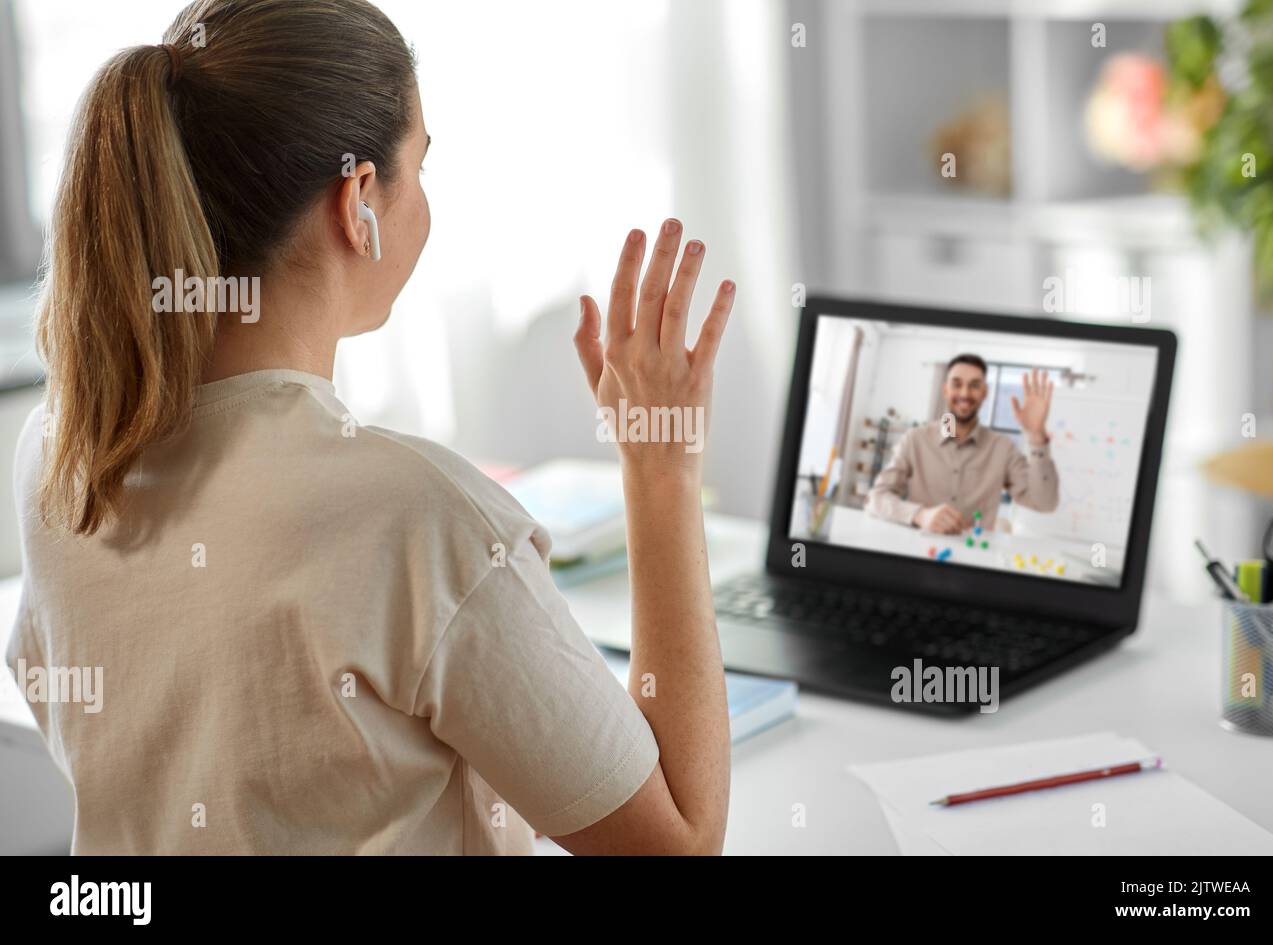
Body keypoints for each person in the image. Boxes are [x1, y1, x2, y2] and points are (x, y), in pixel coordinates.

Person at [5, 0, 732, 855]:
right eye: (419, 166)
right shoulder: (420, 517)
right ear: (359, 202)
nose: (427, 200)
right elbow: (679, 841)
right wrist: (660, 470)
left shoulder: (60, 456)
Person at [867, 354, 1059, 534]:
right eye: (956, 384)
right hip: (918, 554)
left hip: (973, 560)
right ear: (945, 390)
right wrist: (919, 515)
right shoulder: (915, 439)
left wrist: (1036, 436)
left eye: (974, 385)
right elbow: (876, 498)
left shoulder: (1003, 448)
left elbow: (1044, 503)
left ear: (984, 392)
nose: (965, 393)